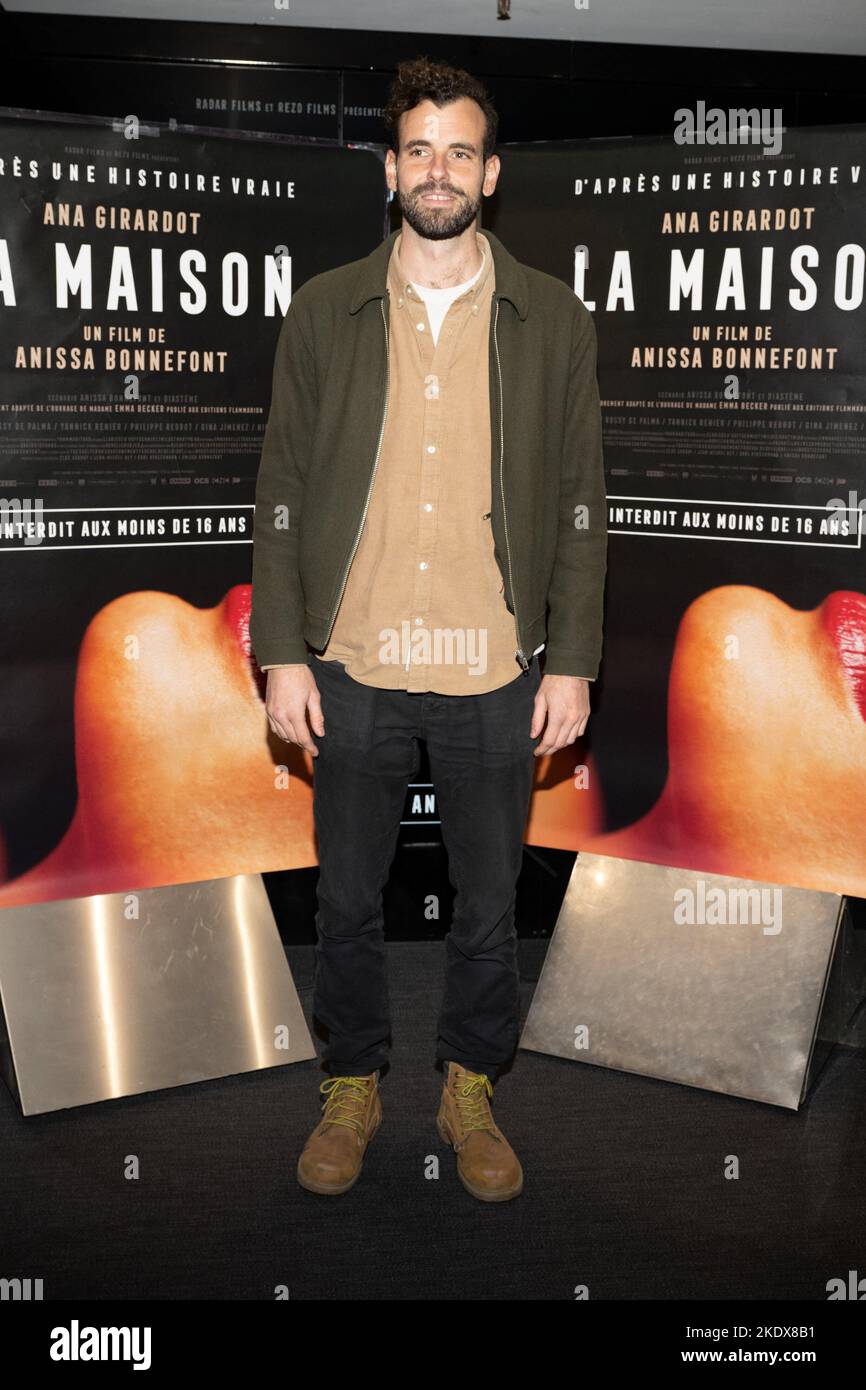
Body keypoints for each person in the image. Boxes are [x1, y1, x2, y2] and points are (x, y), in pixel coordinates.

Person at [249, 55, 608, 1201]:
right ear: (387, 167)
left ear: (489, 174)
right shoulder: (324, 309)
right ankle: (350, 1083)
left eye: (459, 150)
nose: (437, 169)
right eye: (417, 148)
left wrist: (577, 661)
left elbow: (578, 504)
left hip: (497, 671)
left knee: (488, 901)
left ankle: (468, 1083)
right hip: (351, 665)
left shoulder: (550, 317)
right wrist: (281, 649)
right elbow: (282, 484)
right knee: (345, 898)